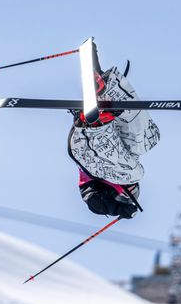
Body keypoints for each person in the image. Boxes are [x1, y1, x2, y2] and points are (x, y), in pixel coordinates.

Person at [67, 59, 160, 219]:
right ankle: (108, 88)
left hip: (84, 148)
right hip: (104, 136)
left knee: (135, 172)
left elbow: (93, 203)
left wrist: (117, 209)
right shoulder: (126, 166)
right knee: (148, 141)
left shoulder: (92, 187)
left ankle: (94, 122)